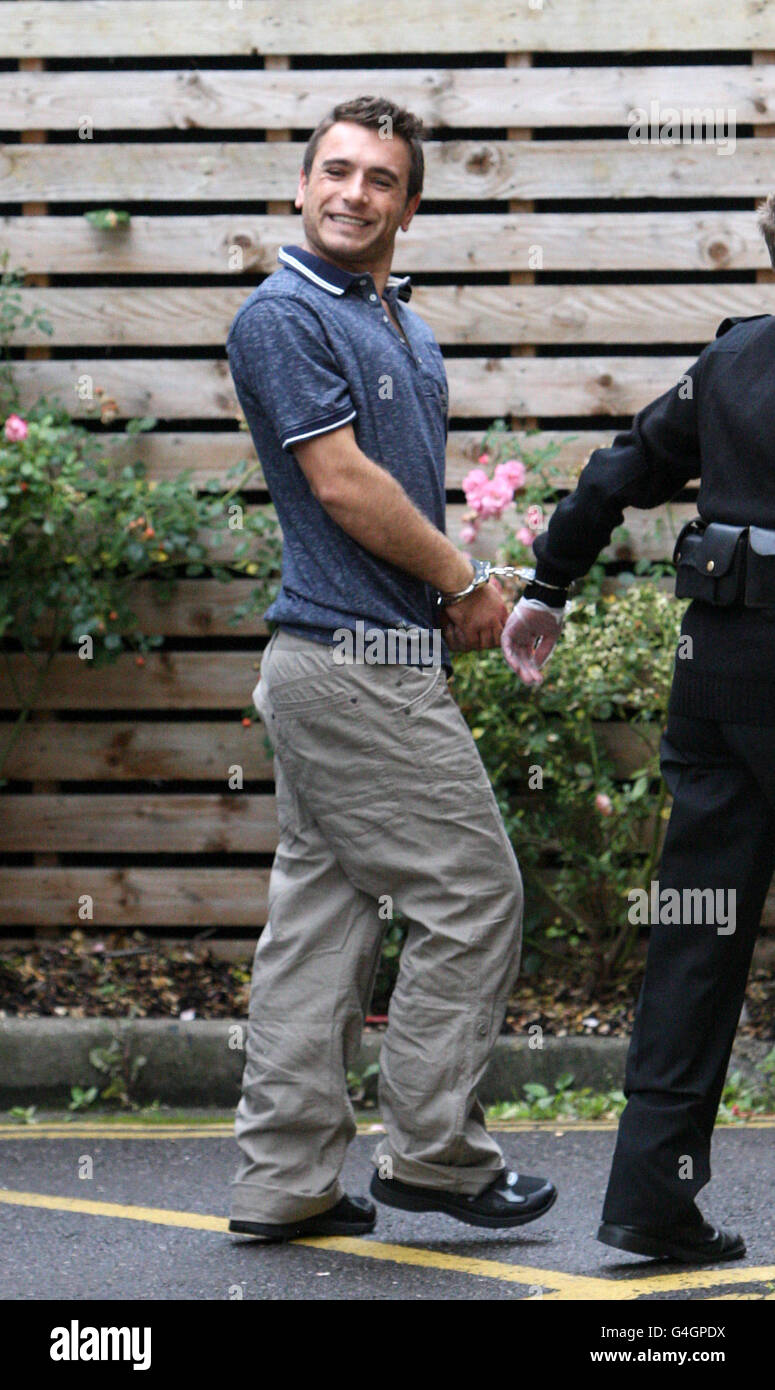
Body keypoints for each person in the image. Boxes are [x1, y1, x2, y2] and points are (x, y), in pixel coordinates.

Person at [224, 96, 557, 1241]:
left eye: (378, 179)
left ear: (408, 205)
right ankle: (435, 1157)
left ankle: (286, 1179)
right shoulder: (283, 315)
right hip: (350, 659)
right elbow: (345, 485)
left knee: (323, 918)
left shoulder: (396, 322)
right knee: (472, 893)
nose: (351, 192)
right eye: (334, 170)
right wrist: (467, 584)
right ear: (301, 185)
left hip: (355, 658)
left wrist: (457, 588)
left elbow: (398, 491)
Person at [501, 195, 775, 1264]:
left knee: (695, 942)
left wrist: (546, 585)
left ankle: (651, 1199)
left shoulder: (732, 365)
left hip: (721, 683)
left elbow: (620, 470)